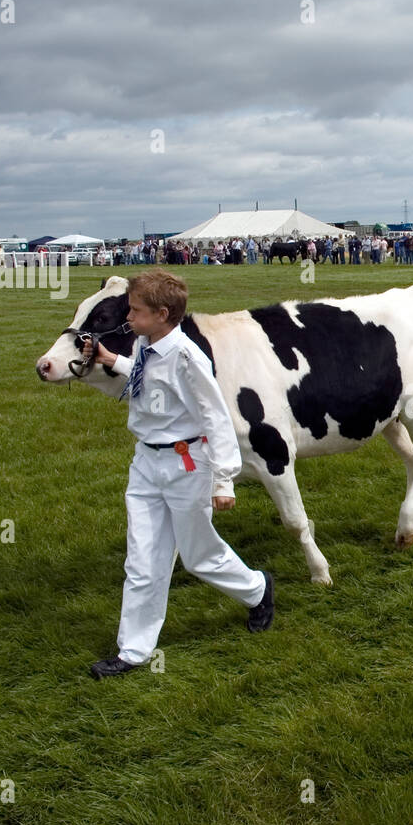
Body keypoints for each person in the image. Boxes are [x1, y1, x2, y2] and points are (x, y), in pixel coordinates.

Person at [82, 270, 274, 679]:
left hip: (187, 465)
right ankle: (132, 651)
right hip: (146, 465)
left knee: (199, 556)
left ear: (162, 314)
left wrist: (223, 480)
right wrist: (112, 361)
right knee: (142, 558)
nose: (127, 317)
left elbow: (216, 417)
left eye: (135, 311)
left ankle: (258, 590)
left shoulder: (189, 359)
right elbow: (146, 375)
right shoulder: (145, 346)